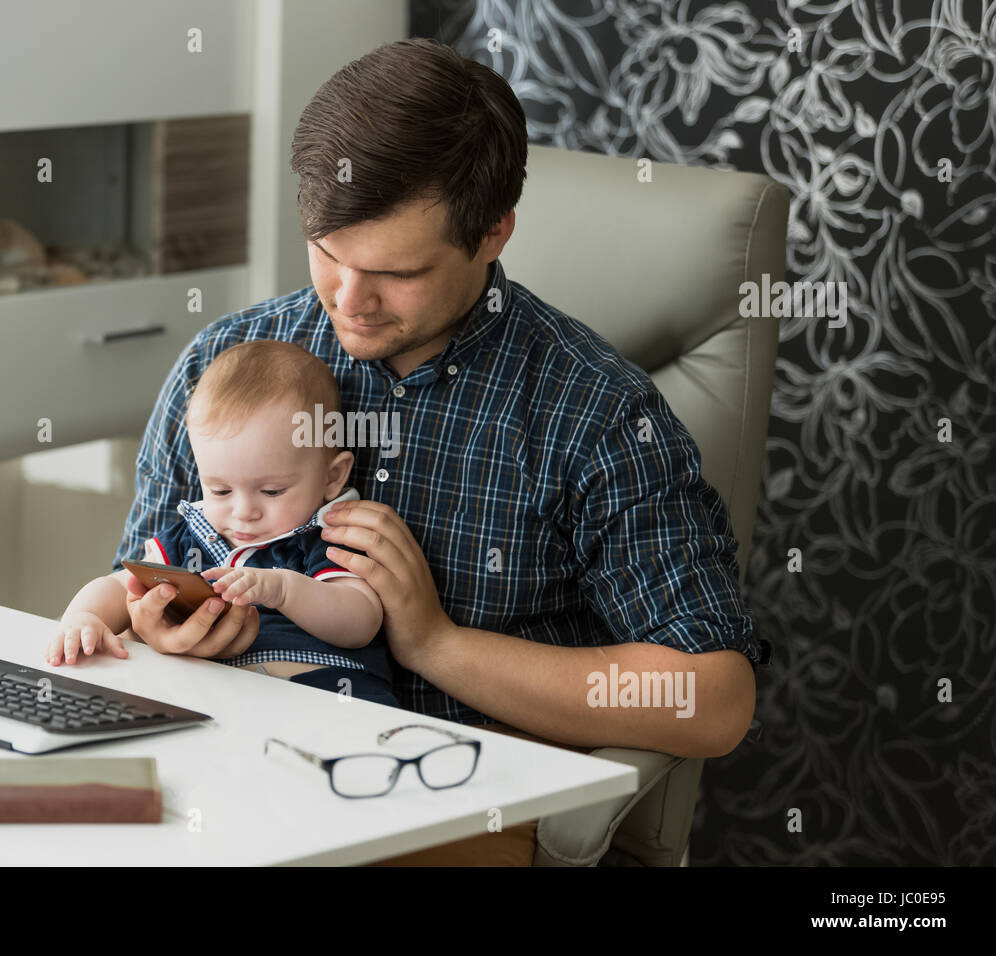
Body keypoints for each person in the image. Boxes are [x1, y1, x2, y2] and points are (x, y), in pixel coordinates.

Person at [53, 37, 770, 865]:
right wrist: (164, 626)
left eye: (396, 272)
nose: (349, 304)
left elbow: (711, 699)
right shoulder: (228, 364)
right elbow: (136, 580)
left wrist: (435, 643)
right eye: (328, 253)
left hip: (450, 800)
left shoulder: (594, 412)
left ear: (493, 233)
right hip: (224, 773)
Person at [51, 340, 396, 707]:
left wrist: (284, 591)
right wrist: (84, 617)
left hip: (328, 691)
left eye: (272, 491)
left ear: (332, 477)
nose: (243, 511)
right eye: (219, 490)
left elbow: (360, 620)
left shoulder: (329, 533)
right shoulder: (194, 535)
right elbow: (123, 584)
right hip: (221, 697)